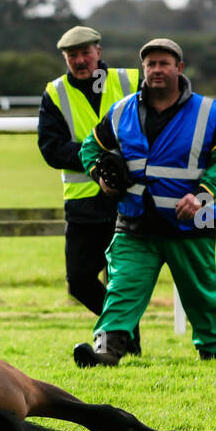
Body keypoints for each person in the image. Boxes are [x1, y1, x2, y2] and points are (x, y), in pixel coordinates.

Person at [73, 37, 216, 367]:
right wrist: (99, 176)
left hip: (189, 223)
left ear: (179, 68)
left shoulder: (211, 112)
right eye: (150, 64)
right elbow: (89, 147)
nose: (157, 70)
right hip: (134, 223)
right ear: (143, 69)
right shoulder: (120, 111)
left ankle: (214, 351)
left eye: (164, 63)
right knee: (121, 288)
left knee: (201, 296)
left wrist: (200, 196)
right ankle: (106, 350)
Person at [38, 25, 141, 353]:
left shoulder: (132, 82)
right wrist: (100, 162)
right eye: (72, 56)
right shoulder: (55, 92)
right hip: (83, 204)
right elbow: (51, 149)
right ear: (65, 59)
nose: (80, 61)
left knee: (121, 279)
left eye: (85, 53)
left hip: (130, 199)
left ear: (98, 51)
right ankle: (126, 336)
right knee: (80, 282)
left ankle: (122, 344)